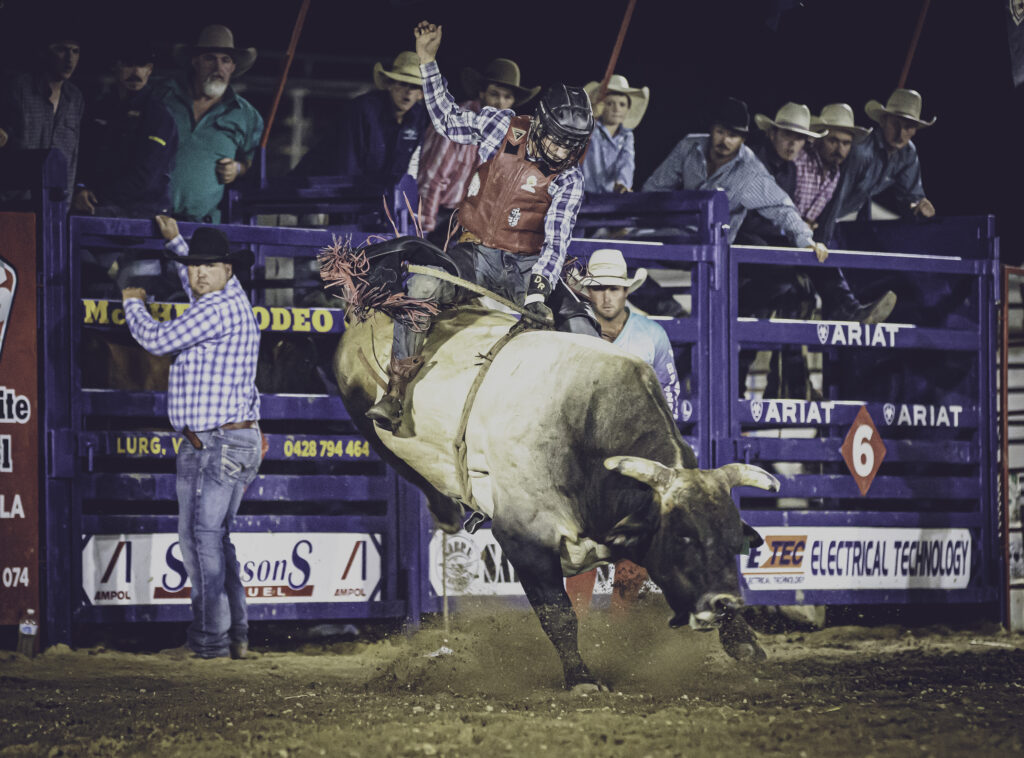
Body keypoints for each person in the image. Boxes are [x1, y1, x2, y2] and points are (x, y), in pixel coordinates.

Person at [365, 20, 596, 431]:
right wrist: (428, 62)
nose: (562, 151)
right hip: (473, 253)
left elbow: (557, 240)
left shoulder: (570, 177)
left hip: (525, 267)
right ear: (540, 124)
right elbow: (449, 120)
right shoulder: (502, 127)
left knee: (583, 325)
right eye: (557, 139)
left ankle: (588, 418)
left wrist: (539, 292)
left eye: (571, 145)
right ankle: (396, 390)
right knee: (421, 286)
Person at [122, 215, 261, 659]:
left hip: (212, 445)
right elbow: (193, 285)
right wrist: (177, 241)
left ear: (228, 269)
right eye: (194, 264)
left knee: (199, 541)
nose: (199, 272)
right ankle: (235, 637)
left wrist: (132, 303)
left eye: (209, 265)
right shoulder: (231, 297)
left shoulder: (214, 309)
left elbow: (158, 340)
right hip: (231, 441)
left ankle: (208, 643)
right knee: (215, 539)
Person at [564, 248, 678, 615]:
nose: (607, 297)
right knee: (579, 541)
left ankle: (620, 623)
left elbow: (670, 396)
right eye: (598, 289)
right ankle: (577, 622)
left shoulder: (652, 336)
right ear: (588, 293)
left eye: (614, 288)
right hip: (584, 455)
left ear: (626, 291)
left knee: (638, 538)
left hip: (638, 456)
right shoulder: (568, 332)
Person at [642, 97, 826, 258]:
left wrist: (806, 240)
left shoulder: (750, 171)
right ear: (711, 130)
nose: (725, 141)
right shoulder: (690, 146)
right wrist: (638, 222)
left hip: (714, 248)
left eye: (733, 135)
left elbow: (781, 207)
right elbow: (655, 188)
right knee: (622, 245)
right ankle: (661, 300)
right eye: (720, 132)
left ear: (743, 139)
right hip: (674, 233)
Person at [416, 57, 539, 235]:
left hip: (470, 218)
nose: (500, 103)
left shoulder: (509, 133)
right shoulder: (459, 121)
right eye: (494, 94)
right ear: (481, 93)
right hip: (440, 214)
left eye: (507, 97)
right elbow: (433, 178)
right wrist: (424, 228)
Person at [159, 25, 263, 223]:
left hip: (203, 226)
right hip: (150, 219)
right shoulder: (162, 96)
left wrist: (238, 168)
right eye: (210, 58)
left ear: (232, 67)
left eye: (226, 60)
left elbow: (256, 165)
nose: (218, 68)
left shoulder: (247, 115)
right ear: (195, 62)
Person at [73, 40, 178, 218]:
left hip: (143, 212)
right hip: (101, 205)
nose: (136, 73)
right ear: (115, 66)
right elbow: (84, 156)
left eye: (142, 66)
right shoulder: (100, 108)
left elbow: (145, 176)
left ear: (150, 70)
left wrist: (96, 195)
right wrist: (81, 188)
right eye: (128, 65)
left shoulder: (157, 115)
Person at [294, 51, 429, 185]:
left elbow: (407, 167)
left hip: (367, 193)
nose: (408, 91)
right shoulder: (363, 110)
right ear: (389, 85)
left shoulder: (418, 119)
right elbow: (346, 166)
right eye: (402, 83)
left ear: (420, 94)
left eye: (415, 86)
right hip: (316, 186)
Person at [0, 31, 84, 199]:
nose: (69, 58)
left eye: (75, 51)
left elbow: (75, 153)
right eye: (61, 50)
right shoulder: (19, 87)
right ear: (44, 53)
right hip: (15, 200)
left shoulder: (75, 97)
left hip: (58, 204)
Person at [837, 88, 936, 220]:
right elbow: (837, 195)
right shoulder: (861, 151)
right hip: (828, 210)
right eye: (895, 124)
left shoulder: (908, 153)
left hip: (853, 210)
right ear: (883, 121)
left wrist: (919, 207)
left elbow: (910, 197)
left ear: (914, 131)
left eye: (908, 127)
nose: (900, 134)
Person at [581, 74, 649, 194]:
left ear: (628, 109)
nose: (616, 109)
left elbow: (626, 161)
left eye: (622, 105)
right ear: (601, 106)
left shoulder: (626, 136)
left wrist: (622, 183)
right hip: (583, 195)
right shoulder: (589, 129)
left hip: (610, 198)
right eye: (610, 103)